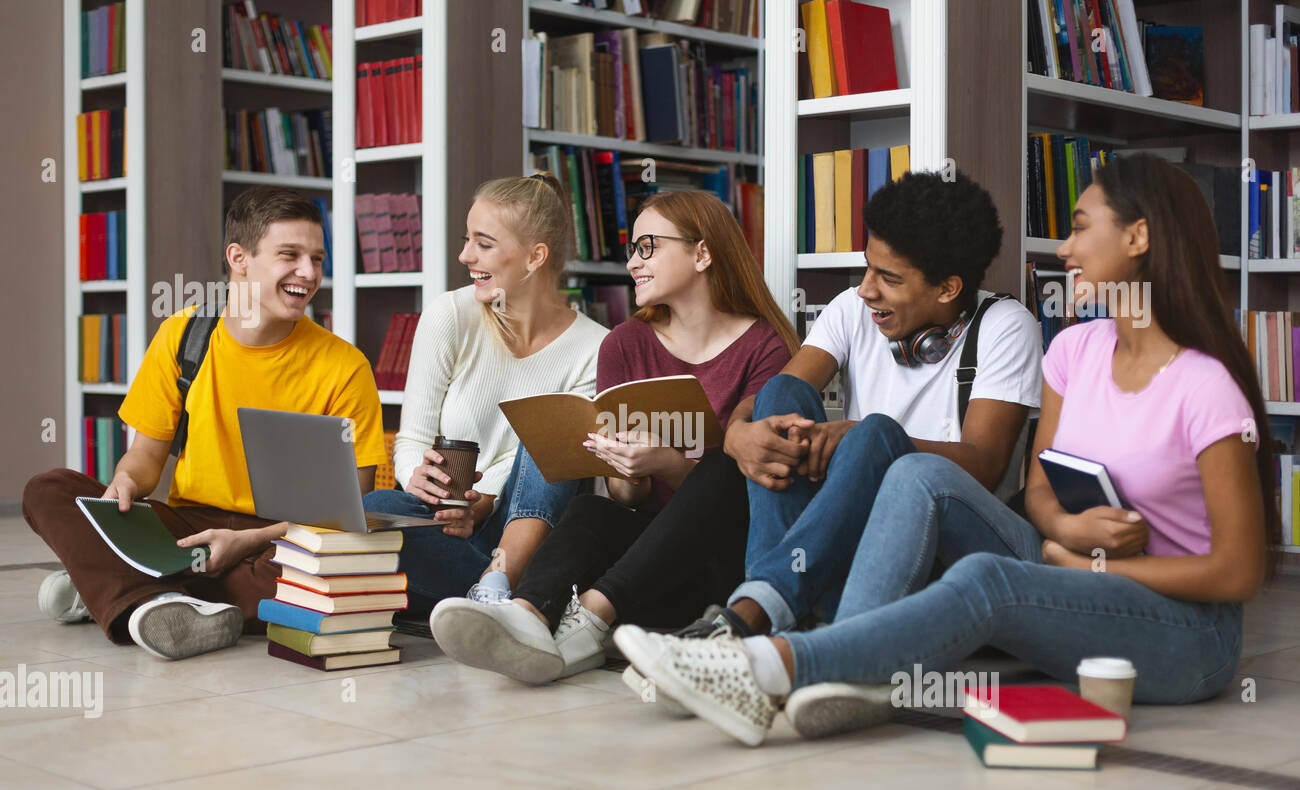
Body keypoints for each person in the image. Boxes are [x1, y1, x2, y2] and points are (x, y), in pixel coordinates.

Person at [615, 154, 1275, 746]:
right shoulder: (1075, 351)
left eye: (1079, 227)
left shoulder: (1204, 385)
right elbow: (1040, 490)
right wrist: (1068, 529)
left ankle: (769, 660)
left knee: (974, 563)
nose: (1065, 247)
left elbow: (1239, 574)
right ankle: (831, 657)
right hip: (1066, 564)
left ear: (1138, 238)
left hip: (1185, 631)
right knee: (916, 470)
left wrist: (1089, 567)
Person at [625, 169, 1042, 706]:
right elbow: (773, 398)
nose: (866, 288)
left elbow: (984, 463)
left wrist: (860, 438)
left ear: (947, 288)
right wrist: (739, 435)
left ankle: (750, 622)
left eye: (889, 278)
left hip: (963, 542)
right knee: (779, 400)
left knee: (876, 436)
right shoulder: (851, 310)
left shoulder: (1006, 325)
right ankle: (774, 634)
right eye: (867, 267)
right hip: (866, 545)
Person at [429, 189, 798, 684]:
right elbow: (627, 499)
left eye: (649, 247)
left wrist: (667, 462)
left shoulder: (765, 347)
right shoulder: (626, 343)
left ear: (702, 253)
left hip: (722, 561)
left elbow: (754, 486)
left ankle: (590, 621)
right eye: (632, 249)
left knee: (726, 461)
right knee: (591, 508)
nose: (633, 264)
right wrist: (626, 470)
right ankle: (528, 619)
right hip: (643, 567)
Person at [25, 186, 388, 659]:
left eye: (317, 258)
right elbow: (145, 458)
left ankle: (114, 586)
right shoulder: (184, 334)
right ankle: (155, 601)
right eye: (290, 255)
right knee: (48, 488)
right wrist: (125, 482)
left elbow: (348, 510)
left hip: (277, 538)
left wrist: (247, 541)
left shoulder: (345, 366)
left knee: (330, 575)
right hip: (189, 525)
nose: (309, 272)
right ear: (239, 258)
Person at [362, 174, 608, 619]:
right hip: (446, 521)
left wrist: (487, 501)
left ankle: (496, 582)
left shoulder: (596, 347)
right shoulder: (450, 315)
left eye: (483, 243)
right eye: (466, 239)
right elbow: (412, 436)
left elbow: (557, 471)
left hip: (531, 524)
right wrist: (418, 475)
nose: (465, 256)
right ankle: (504, 597)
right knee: (377, 507)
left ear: (535, 257)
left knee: (552, 430)